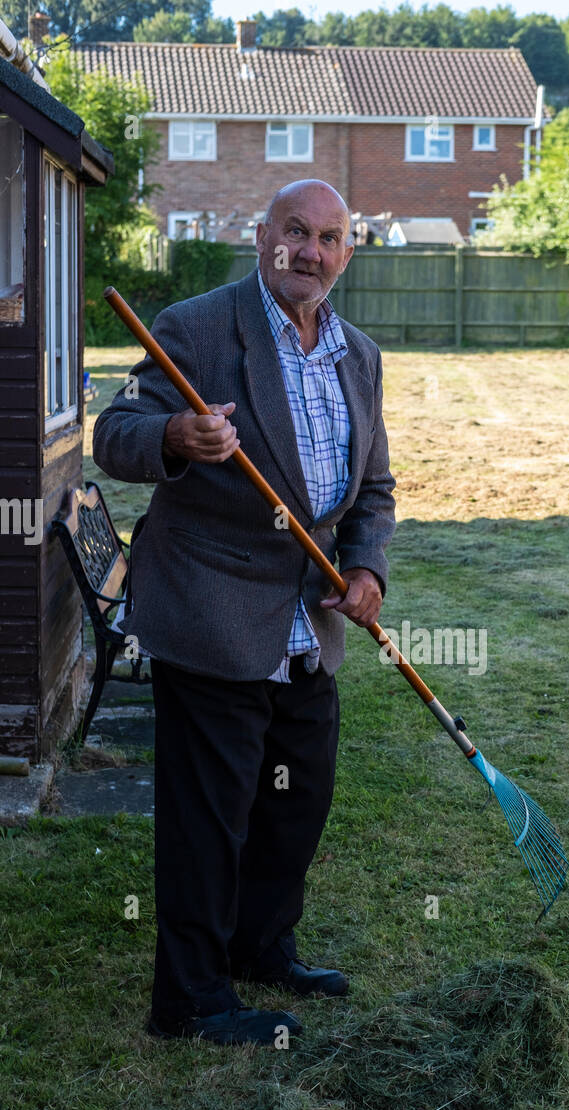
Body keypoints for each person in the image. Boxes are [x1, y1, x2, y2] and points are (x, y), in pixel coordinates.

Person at [93, 180, 396, 1046]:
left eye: (328, 238)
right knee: (207, 820)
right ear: (261, 237)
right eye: (294, 233)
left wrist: (367, 568)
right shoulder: (198, 327)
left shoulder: (359, 355)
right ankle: (189, 1001)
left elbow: (372, 488)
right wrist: (175, 440)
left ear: (348, 251)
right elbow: (115, 433)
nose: (309, 252)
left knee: (294, 804)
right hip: (212, 606)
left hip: (310, 619)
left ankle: (262, 947)